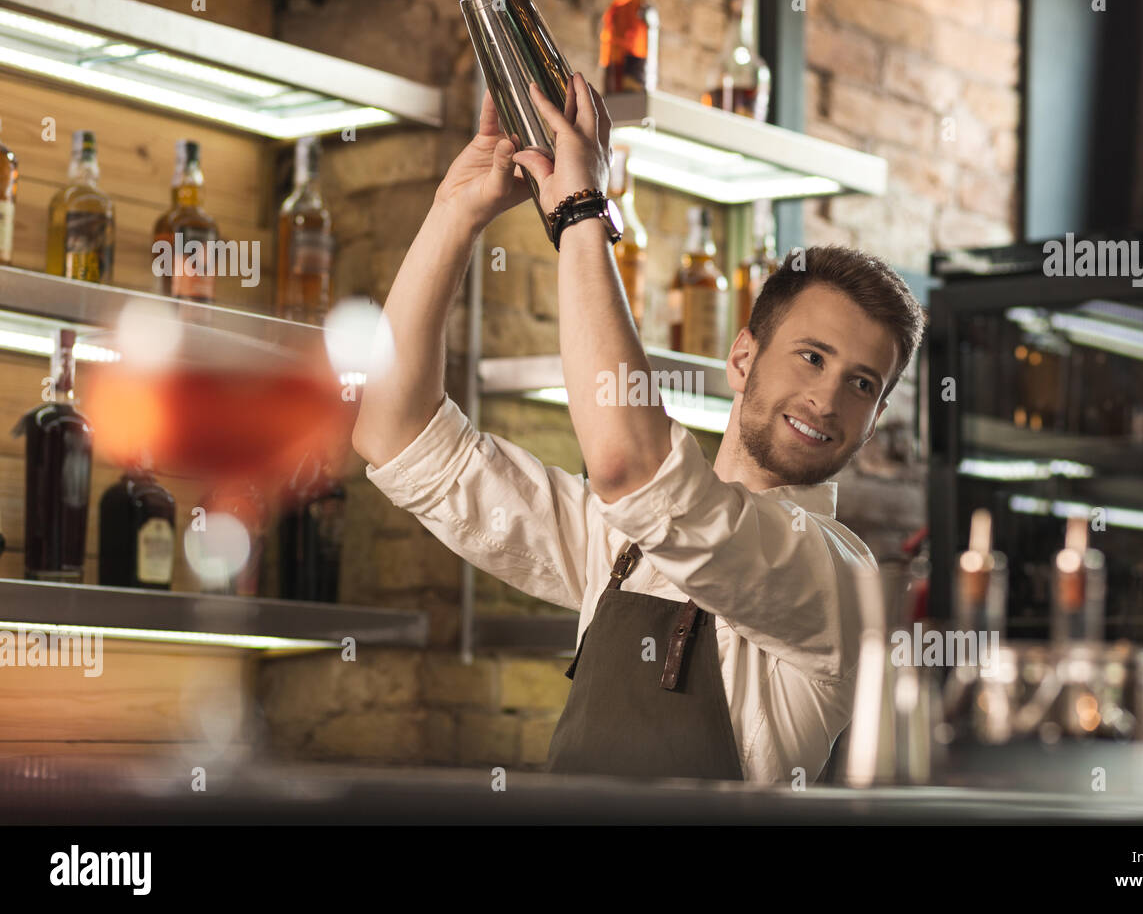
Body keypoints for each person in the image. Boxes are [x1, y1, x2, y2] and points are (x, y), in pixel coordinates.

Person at [351, 72, 925, 785]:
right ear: (742, 358)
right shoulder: (618, 543)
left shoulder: (839, 579)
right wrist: (454, 214)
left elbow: (633, 470)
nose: (826, 398)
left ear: (873, 424)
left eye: (862, 385)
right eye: (812, 357)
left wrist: (582, 213)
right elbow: (396, 436)